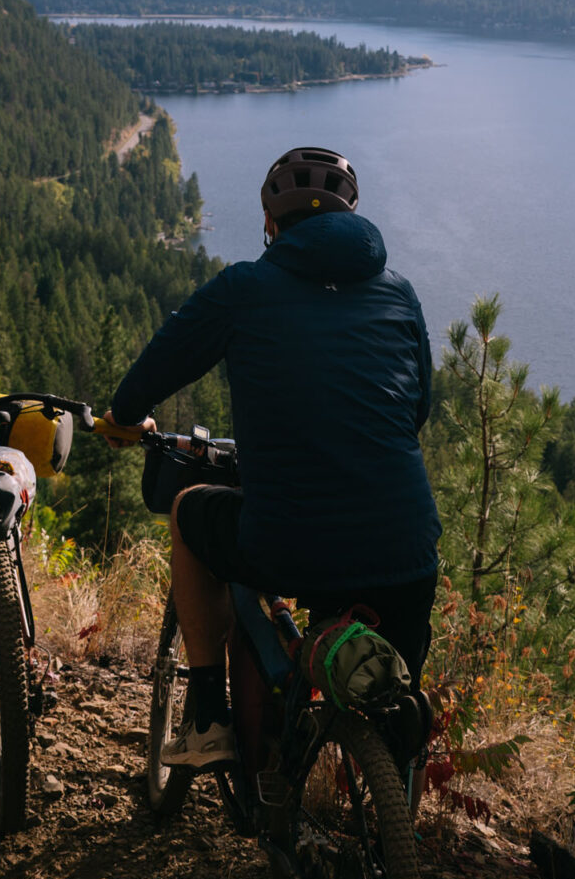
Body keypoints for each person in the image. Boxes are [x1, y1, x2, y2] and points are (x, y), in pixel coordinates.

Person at [106, 146, 441, 766]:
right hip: (408, 551)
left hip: (290, 543)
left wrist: (125, 419)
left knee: (187, 512)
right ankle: (392, 803)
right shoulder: (400, 293)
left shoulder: (244, 288)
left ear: (269, 222)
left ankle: (208, 717)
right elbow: (418, 410)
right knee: (397, 705)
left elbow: (156, 368)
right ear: (350, 217)